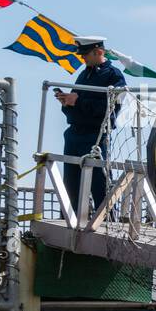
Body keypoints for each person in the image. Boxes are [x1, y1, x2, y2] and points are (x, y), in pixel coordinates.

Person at [52, 36, 125, 213]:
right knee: (71, 183)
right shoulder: (84, 74)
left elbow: (111, 109)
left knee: (99, 183)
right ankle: (69, 220)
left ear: (99, 52)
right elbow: (77, 103)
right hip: (74, 134)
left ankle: (107, 221)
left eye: (85, 54)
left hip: (96, 136)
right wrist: (67, 103)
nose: (82, 58)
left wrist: (78, 102)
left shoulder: (115, 76)